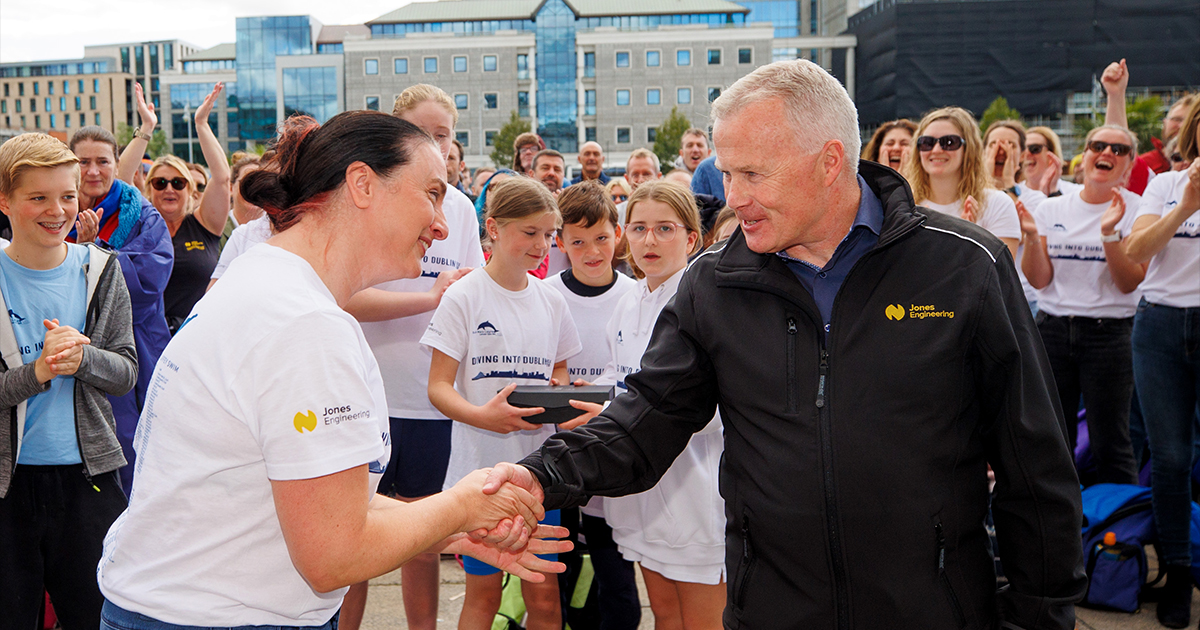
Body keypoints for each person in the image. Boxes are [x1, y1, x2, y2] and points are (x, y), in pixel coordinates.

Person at [482, 59, 1086, 629]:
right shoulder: (714, 283)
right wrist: (535, 478)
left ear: (829, 162)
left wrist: (1037, 617)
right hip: (771, 611)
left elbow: (1034, 469)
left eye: (753, 174)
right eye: (726, 173)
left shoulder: (964, 267)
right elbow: (645, 419)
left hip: (932, 609)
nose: (733, 196)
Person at [97, 111, 568, 630]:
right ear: (362, 184)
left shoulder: (266, 281)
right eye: (431, 194)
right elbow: (334, 557)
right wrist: (461, 504)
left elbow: (311, 503)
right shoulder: (304, 324)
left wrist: (451, 529)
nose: (443, 222)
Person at [340, 83, 486, 630]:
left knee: (423, 542)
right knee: (353, 542)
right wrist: (429, 297)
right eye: (422, 133)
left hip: (432, 404)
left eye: (444, 134)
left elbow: (469, 302)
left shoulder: (464, 211)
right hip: (366, 397)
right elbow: (346, 299)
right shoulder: (369, 202)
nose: (436, 144)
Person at [422, 177, 584, 630]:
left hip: (539, 473)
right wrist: (483, 417)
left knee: (546, 597)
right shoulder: (463, 296)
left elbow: (561, 374)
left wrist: (556, 392)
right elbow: (438, 387)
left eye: (549, 235)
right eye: (529, 232)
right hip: (479, 475)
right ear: (493, 228)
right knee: (483, 595)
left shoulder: (552, 302)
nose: (542, 245)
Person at [0, 133, 137, 630]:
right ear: (5, 201)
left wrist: (81, 359)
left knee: (98, 618)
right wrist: (37, 373)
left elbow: (125, 373)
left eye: (67, 195)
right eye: (38, 197)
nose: (56, 211)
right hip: (8, 488)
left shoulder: (101, 270)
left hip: (89, 481)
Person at [593, 180, 725, 630]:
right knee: (666, 616)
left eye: (665, 229)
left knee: (703, 622)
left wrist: (627, 412)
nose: (650, 241)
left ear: (692, 238)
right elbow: (618, 381)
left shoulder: (706, 304)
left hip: (696, 491)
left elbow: (717, 411)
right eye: (639, 228)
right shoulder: (626, 303)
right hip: (643, 496)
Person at [1018, 124, 1144, 487]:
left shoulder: (1137, 210)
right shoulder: (1053, 208)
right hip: (1054, 328)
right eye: (1097, 145)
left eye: (1118, 150)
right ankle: (1064, 533)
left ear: (1129, 164)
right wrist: (1030, 236)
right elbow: (1040, 280)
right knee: (1055, 440)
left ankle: (1121, 535)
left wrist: (1109, 235)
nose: (1105, 152)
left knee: (1111, 443)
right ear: (1084, 155)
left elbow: (1128, 282)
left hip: (1111, 334)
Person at [543, 182, 639, 630]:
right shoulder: (544, 294)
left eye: (601, 237)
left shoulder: (637, 296)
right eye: (577, 241)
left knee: (616, 579)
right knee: (558, 576)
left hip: (612, 456)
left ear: (617, 234)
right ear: (560, 242)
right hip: (557, 455)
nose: (591, 250)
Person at [1124, 97, 1200, 628]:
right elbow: (1136, 249)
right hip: (1161, 328)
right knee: (1170, 459)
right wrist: (1185, 208)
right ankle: (1177, 572)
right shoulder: (1166, 184)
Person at [67, 126, 172, 493]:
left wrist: (91, 254)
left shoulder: (142, 215)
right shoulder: (55, 214)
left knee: (138, 443)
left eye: (103, 161)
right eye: (83, 162)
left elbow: (150, 279)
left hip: (135, 343)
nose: (93, 171)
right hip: (67, 348)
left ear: (116, 163)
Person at [141, 83, 232, 333]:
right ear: (149, 190)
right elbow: (122, 179)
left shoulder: (204, 225)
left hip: (198, 335)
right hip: (149, 340)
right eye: (160, 183)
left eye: (178, 183)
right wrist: (146, 129)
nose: (169, 189)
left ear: (190, 190)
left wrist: (201, 124)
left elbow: (223, 178)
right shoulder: (140, 226)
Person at [904, 107, 1021, 260]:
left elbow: (1000, 277)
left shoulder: (998, 204)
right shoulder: (904, 206)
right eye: (927, 142)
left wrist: (969, 238)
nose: (937, 149)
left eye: (949, 142)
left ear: (968, 149)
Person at [1139, 93, 1196, 175]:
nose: (1182, 126)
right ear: (1164, 122)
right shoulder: (1145, 165)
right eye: (1176, 119)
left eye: (1189, 122)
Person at [1022, 126, 1082, 198]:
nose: (1027, 153)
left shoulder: (1075, 192)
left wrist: (1053, 192)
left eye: (1035, 148)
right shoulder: (1012, 193)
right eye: (1023, 148)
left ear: (1052, 153)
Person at [618, 149, 663, 223]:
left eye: (646, 174)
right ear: (627, 179)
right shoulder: (617, 214)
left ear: (658, 177)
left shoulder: (669, 211)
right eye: (635, 175)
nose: (641, 180)